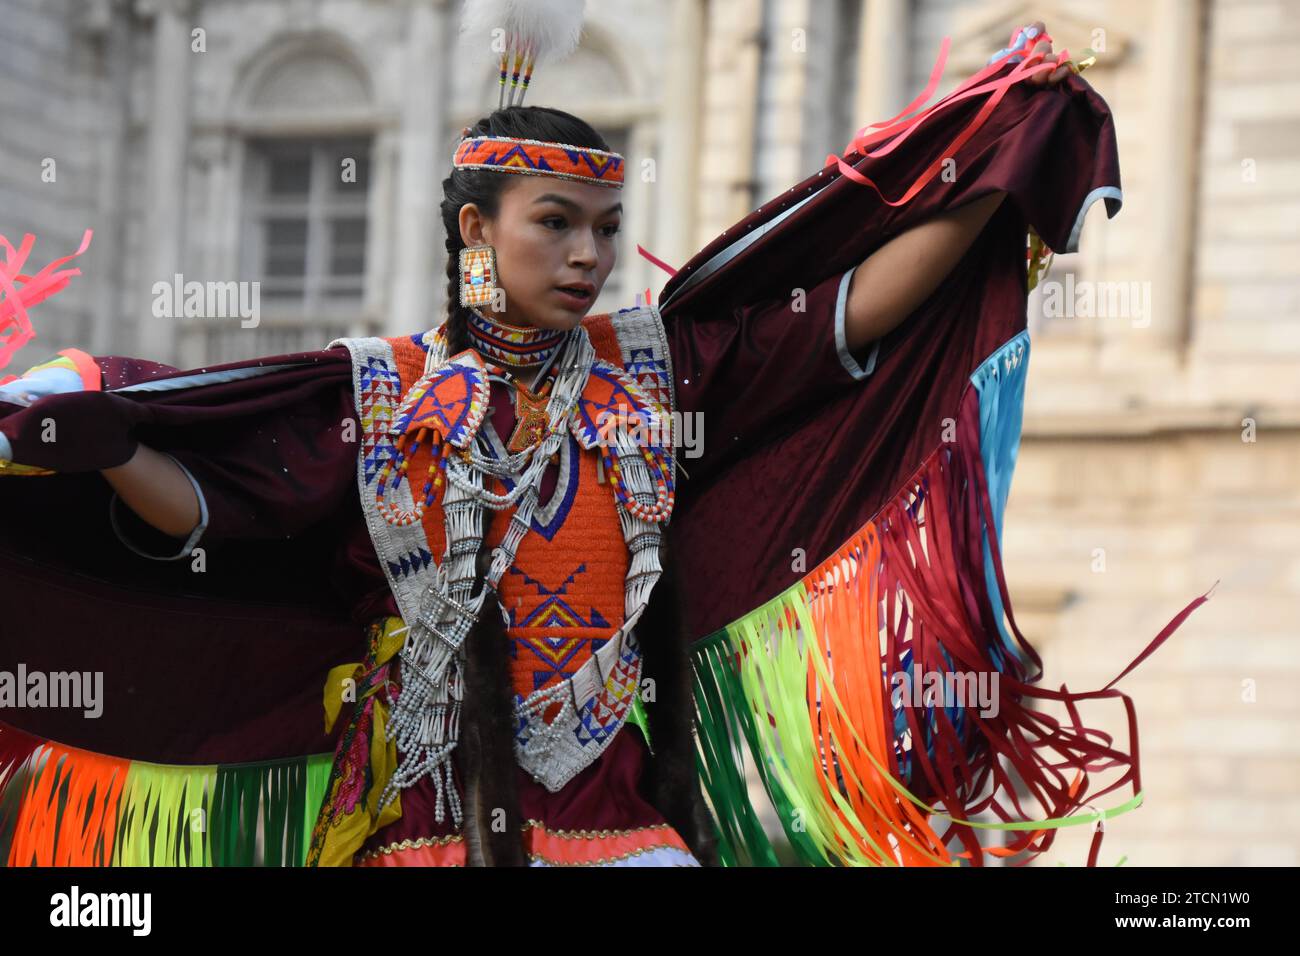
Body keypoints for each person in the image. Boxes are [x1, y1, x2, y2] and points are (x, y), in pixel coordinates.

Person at [0, 14, 1213, 867]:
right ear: (477, 228)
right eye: (555, 224)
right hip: (414, 835)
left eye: (605, 227)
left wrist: (996, 167)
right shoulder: (369, 398)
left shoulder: (660, 368)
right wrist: (108, 446)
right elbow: (215, 513)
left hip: (617, 828)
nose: (587, 253)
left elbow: (847, 312)